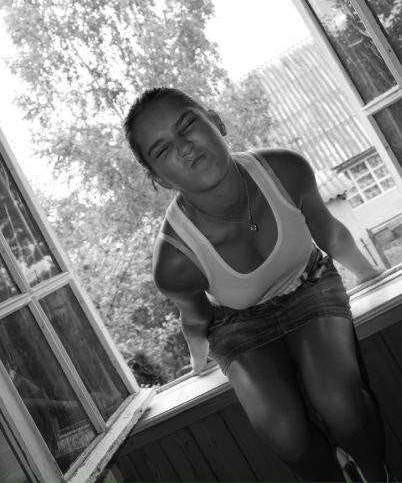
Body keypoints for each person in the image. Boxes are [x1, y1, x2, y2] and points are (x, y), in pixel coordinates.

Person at [124, 86, 389, 483]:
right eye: (162, 150)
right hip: (237, 325)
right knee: (284, 435)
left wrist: (370, 276)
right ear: (158, 179)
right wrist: (198, 365)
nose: (185, 147)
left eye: (188, 125)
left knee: (341, 403)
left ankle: (377, 475)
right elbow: (195, 320)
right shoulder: (175, 260)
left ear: (216, 121)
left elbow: (331, 234)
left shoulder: (285, 170)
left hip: (310, 285)